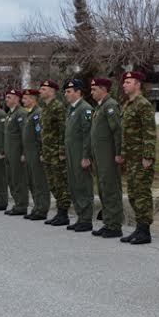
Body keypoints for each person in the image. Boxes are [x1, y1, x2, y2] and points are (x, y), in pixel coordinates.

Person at [119, 70, 156, 245]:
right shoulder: (128, 105)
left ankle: (145, 230)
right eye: (124, 82)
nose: (125, 85)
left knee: (142, 194)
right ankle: (139, 227)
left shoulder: (143, 104)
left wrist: (148, 156)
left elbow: (149, 131)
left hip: (141, 157)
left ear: (137, 84)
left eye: (128, 82)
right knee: (133, 194)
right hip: (132, 158)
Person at [89, 77, 124, 239]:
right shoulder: (100, 107)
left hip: (109, 156)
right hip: (100, 156)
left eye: (94, 89)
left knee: (111, 189)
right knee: (103, 188)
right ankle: (108, 222)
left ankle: (115, 225)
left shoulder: (110, 106)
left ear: (103, 89)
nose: (91, 92)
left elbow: (117, 131)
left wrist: (118, 153)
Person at [63, 79, 95, 232]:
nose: (66, 94)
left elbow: (87, 134)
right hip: (71, 153)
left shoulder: (85, 109)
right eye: (66, 92)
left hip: (80, 154)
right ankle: (80, 216)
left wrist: (86, 155)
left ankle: (86, 219)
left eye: (69, 91)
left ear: (78, 92)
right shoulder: (71, 109)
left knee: (83, 185)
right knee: (74, 185)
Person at [39, 80, 71, 226]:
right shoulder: (45, 108)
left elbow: (63, 131)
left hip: (57, 152)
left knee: (60, 183)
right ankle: (59, 211)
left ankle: (63, 213)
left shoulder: (58, 107)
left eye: (44, 89)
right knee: (53, 183)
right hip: (47, 151)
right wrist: (42, 151)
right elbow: (43, 132)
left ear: (52, 91)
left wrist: (62, 151)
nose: (41, 91)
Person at [21, 88, 51, 221]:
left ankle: (42, 209)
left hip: (36, 153)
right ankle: (36, 207)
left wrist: (42, 152)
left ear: (33, 99)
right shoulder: (30, 114)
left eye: (26, 98)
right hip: (29, 153)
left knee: (39, 182)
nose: (23, 100)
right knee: (32, 181)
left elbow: (40, 135)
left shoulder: (38, 114)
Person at [3, 88, 30, 216]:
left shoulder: (21, 113)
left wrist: (24, 152)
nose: (6, 99)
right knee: (11, 178)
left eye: (9, 97)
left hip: (17, 152)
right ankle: (17, 203)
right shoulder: (10, 114)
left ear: (17, 99)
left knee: (19, 179)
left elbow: (24, 135)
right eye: (6, 97)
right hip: (9, 152)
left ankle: (22, 205)